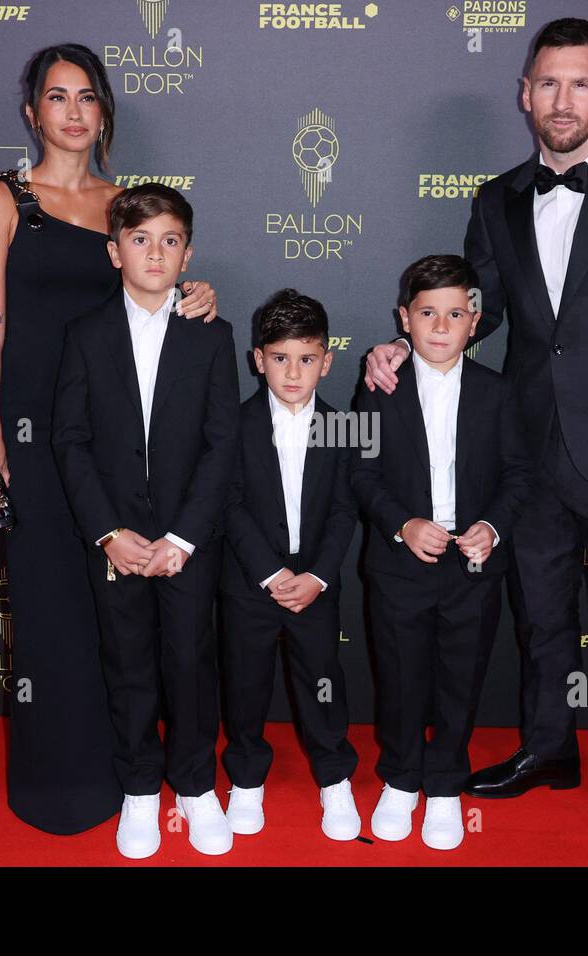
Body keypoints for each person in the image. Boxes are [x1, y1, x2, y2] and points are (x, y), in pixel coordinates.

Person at [363, 19, 588, 857]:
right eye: (547, 84)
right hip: (529, 451)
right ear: (524, 94)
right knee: (542, 616)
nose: (563, 101)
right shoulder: (496, 197)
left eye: (580, 83)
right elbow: (465, 313)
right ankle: (550, 748)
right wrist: (398, 346)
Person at [0, 43, 218, 836]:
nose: (73, 112)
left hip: (107, 439)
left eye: (87, 97)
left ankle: (130, 777)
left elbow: (150, 278)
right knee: (47, 608)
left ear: (104, 111)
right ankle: (56, 782)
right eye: (57, 96)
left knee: (116, 611)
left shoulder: (123, 206)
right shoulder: (4, 200)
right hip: (30, 437)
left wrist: (193, 290)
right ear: (32, 111)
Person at [51, 183, 240, 859]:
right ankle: (138, 788)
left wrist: (185, 537)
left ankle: (194, 786)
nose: (154, 253)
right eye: (139, 240)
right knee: (128, 663)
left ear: (188, 254)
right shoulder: (85, 335)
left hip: (191, 541)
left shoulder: (213, 335)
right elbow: (68, 440)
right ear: (114, 252)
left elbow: (224, 442)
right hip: (117, 544)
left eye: (169, 241)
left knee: (190, 662)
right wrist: (107, 532)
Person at [351, 255, 534, 850]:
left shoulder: (497, 392)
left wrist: (492, 526)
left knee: (462, 674)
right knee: (401, 677)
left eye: (454, 314)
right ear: (404, 319)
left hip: (474, 566)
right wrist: (401, 524)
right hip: (400, 564)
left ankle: (447, 783)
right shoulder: (380, 385)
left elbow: (517, 474)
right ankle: (402, 779)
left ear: (474, 323)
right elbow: (361, 472)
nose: (439, 326)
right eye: (427, 313)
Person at [219, 289, 362, 842]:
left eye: (306, 359)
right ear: (258, 359)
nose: (293, 372)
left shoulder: (345, 427)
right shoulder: (232, 424)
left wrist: (318, 576)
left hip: (316, 584)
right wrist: (270, 573)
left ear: (327, 360)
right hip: (251, 583)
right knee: (246, 683)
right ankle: (248, 779)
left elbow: (347, 508)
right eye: (280, 358)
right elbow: (228, 503)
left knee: (322, 679)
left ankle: (334, 779)